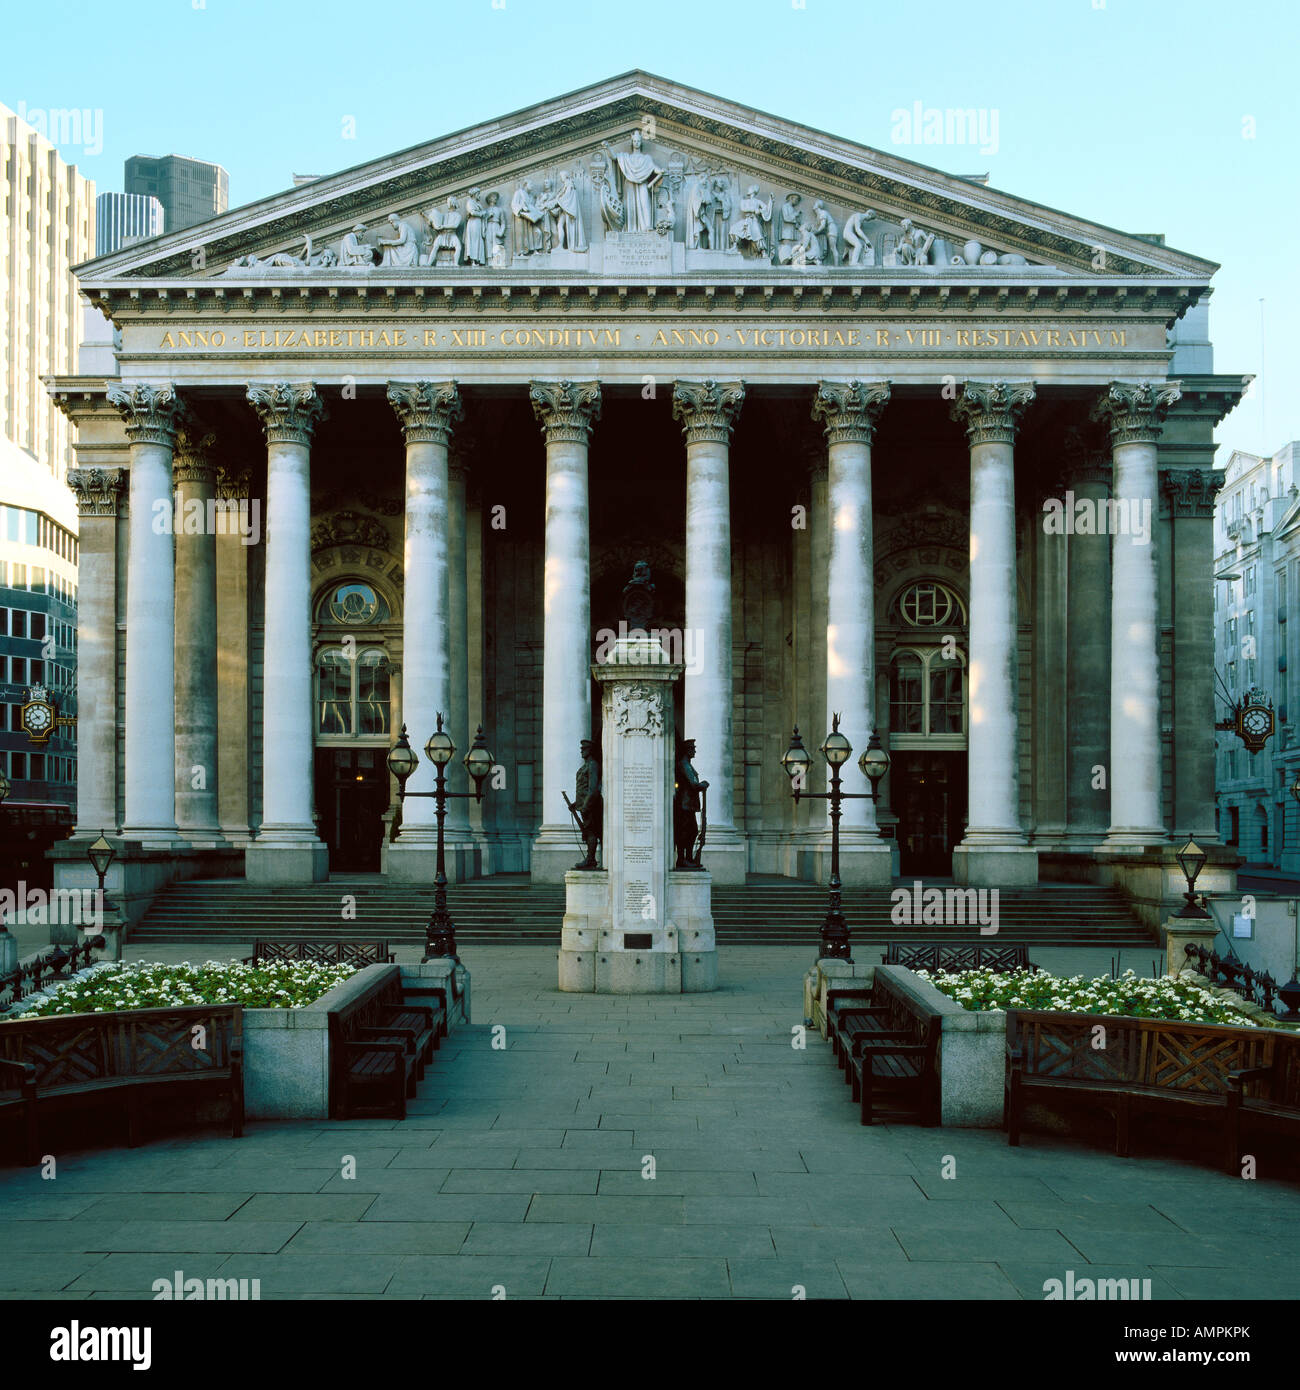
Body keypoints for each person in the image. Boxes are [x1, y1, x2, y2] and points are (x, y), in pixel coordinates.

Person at [599, 131, 663, 234]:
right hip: (629, 184)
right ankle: (630, 228)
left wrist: (658, 175)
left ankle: (647, 226)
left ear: (641, 142)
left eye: (638, 141)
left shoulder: (646, 159)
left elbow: (656, 170)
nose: (636, 143)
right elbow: (614, 157)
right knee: (630, 205)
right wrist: (607, 147)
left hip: (643, 184)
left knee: (645, 202)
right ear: (632, 142)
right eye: (635, 141)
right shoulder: (626, 158)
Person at [674, 739, 708, 869]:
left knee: (691, 831)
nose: (694, 751)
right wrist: (703, 785)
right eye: (692, 749)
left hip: (688, 804)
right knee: (688, 831)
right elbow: (694, 785)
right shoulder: (684, 764)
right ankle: (683, 859)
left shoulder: (687, 764)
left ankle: (688, 858)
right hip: (685, 804)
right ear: (687, 750)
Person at [572, 739, 602, 870]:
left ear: (590, 750)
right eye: (581, 749)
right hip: (585, 805)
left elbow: (593, 789)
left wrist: (586, 806)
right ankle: (590, 858)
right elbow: (583, 789)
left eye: (584, 749)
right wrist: (576, 804)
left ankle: (591, 859)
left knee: (591, 832)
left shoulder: (593, 765)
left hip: (590, 806)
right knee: (588, 832)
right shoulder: (585, 766)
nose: (581, 751)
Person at [511, 180, 544, 256]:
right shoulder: (519, 192)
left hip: (530, 219)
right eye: (531, 184)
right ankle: (521, 252)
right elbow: (514, 204)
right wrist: (522, 208)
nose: (532, 186)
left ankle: (535, 249)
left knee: (537, 232)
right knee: (522, 235)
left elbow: (533, 207)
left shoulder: (530, 196)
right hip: (522, 218)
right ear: (525, 184)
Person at [463, 188, 486, 266]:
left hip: (478, 223)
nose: (479, 196)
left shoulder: (478, 204)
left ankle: (477, 259)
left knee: (478, 240)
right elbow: (472, 212)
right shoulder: (470, 202)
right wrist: (482, 213)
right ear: (475, 194)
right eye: (478, 194)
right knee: (473, 241)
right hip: (473, 223)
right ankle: (473, 259)